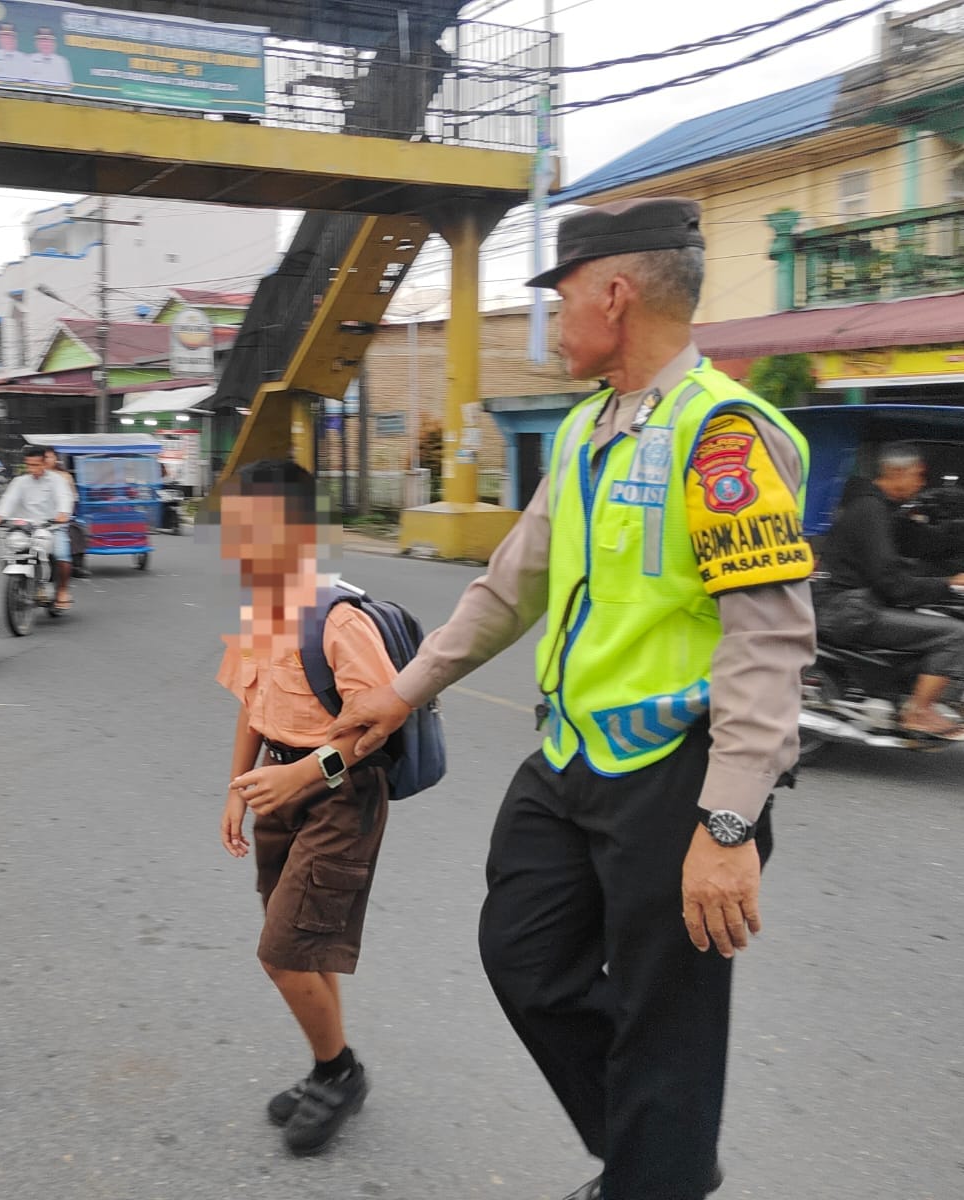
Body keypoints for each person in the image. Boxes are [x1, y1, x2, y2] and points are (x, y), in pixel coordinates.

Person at [328, 198, 816, 1200]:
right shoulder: (589, 431)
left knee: (665, 1025)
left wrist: (726, 822)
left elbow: (766, 643)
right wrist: (401, 691)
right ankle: (658, 1158)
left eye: (557, 302)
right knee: (521, 953)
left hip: (676, 778)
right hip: (571, 761)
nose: (550, 327)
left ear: (613, 293)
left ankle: (651, 1169)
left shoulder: (719, 437)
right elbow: (511, 585)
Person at [216, 459, 397, 1157]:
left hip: (339, 797)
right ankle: (332, 1064)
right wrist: (236, 791)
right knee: (302, 943)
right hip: (276, 793)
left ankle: (338, 1073)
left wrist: (301, 780)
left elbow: (378, 728)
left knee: (283, 952)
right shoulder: (258, 608)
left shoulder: (339, 618)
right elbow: (251, 709)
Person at [815, 442, 964, 738]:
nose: (921, 484)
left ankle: (907, 692)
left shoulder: (882, 509)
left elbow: (923, 542)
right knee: (956, 634)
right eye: (918, 476)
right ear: (897, 473)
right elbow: (890, 581)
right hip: (849, 610)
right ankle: (918, 711)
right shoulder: (870, 510)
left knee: (934, 613)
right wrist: (947, 584)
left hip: (855, 605)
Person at [0, 445, 76, 610]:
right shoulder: (20, 481)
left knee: (62, 556)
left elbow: (64, 497)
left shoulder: (57, 480)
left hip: (52, 527)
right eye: (29, 465)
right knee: (11, 551)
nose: (32, 469)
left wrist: (63, 513)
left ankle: (63, 590)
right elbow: (9, 499)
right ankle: (24, 586)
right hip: (26, 528)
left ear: (44, 464)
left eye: (36, 465)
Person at [44, 448, 89, 574]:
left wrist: (65, 513)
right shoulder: (34, 475)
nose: (46, 460)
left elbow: (72, 498)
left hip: (60, 516)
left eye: (49, 457)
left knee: (77, 531)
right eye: (44, 457)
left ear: (55, 459)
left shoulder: (64, 476)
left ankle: (76, 566)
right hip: (37, 516)